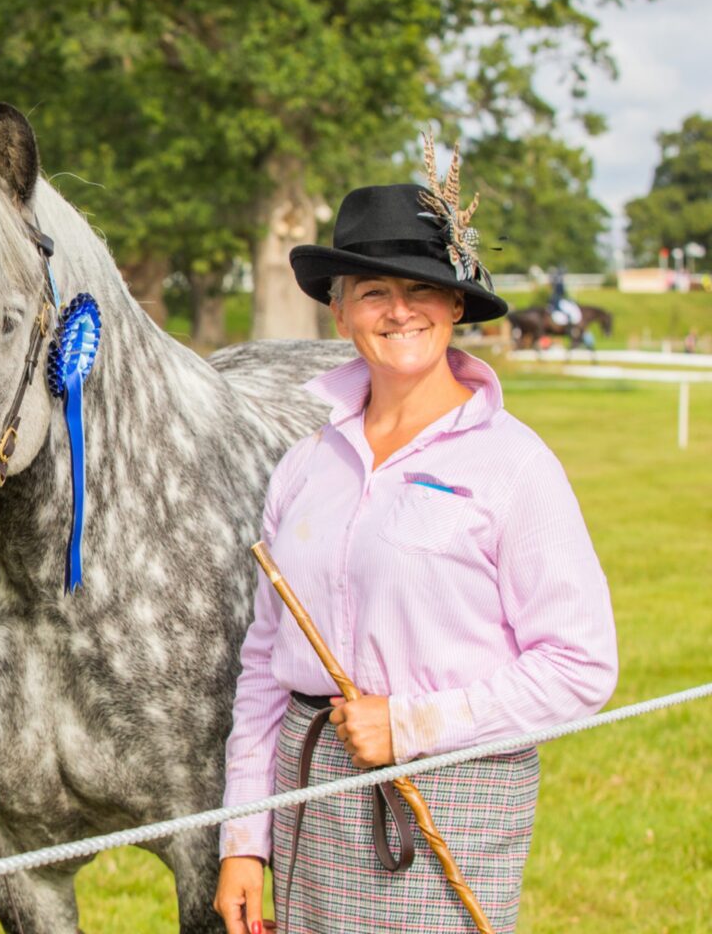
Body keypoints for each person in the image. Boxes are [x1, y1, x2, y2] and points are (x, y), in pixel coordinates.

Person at [213, 166, 618, 934]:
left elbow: (580, 666)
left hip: (451, 790)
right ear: (340, 314)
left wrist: (413, 726)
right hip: (305, 793)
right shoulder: (305, 465)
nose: (398, 311)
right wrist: (243, 838)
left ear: (455, 304)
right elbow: (265, 663)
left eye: (420, 289)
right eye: (371, 291)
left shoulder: (515, 466)